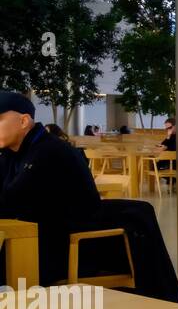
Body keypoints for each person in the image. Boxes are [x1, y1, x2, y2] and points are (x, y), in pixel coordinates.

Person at [0, 92, 102, 285]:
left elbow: (10, 203)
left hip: (67, 250)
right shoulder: (11, 152)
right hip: (29, 240)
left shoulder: (50, 152)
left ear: (23, 122)